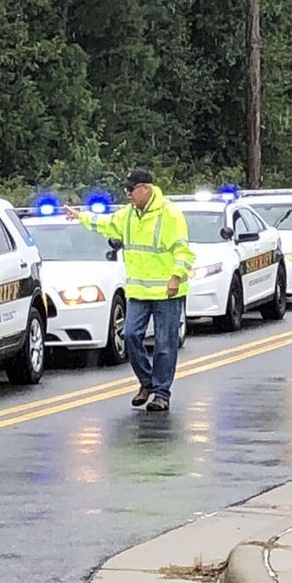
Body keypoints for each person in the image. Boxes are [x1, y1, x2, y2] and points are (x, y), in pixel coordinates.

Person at [65, 169, 195, 411]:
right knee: (130, 336)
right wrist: (81, 216)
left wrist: (176, 277)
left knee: (165, 344)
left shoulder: (169, 214)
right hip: (138, 290)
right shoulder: (128, 214)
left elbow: (183, 251)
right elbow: (106, 223)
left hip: (167, 291)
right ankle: (147, 382)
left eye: (131, 189)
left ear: (145, 188)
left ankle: (161, 393)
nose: (127, 193)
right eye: (126, 189)